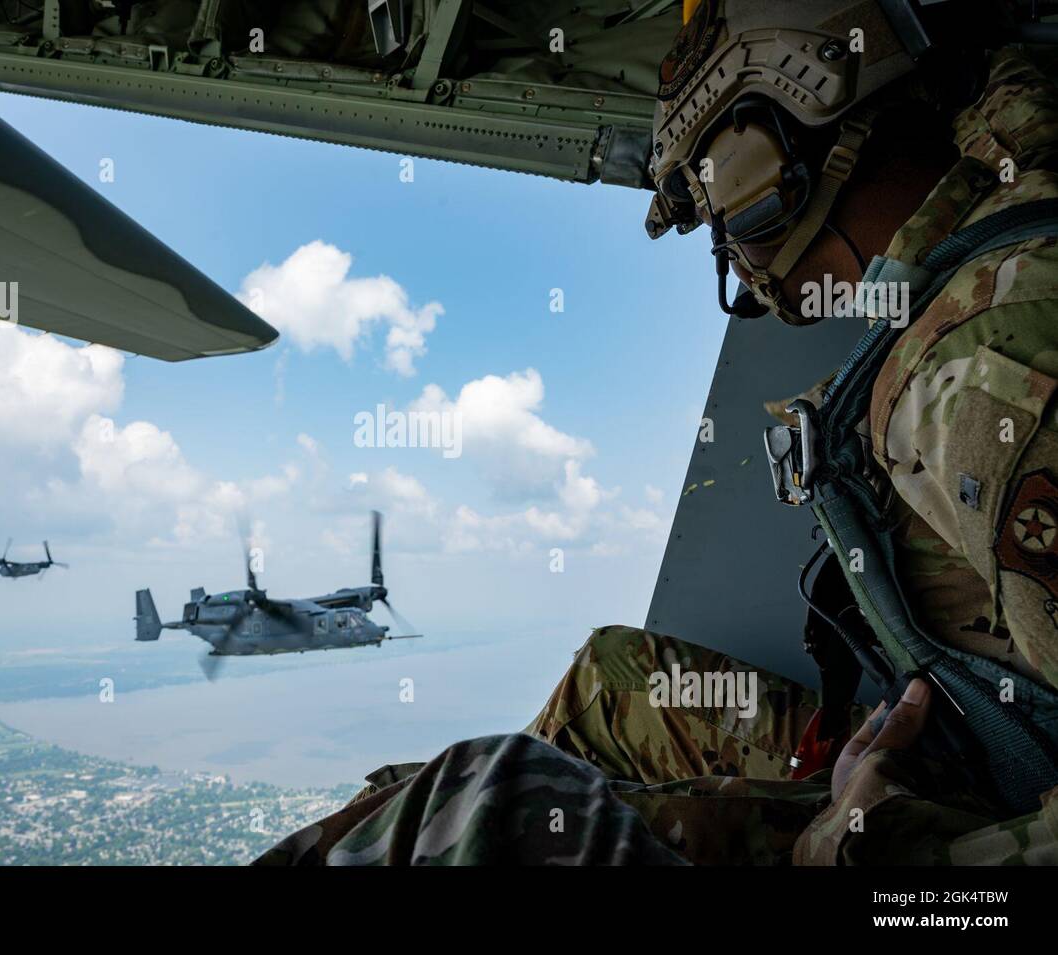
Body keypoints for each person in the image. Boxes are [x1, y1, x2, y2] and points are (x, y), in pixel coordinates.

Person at [256, 0, 1058, 865]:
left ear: (769, 153)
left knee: (467, 807)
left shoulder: (979, 375)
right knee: (613, 678)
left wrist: (864, 838)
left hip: (953, 837)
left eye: (719, 196)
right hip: (950, 746)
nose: (733, 256)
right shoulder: (1004, 177)